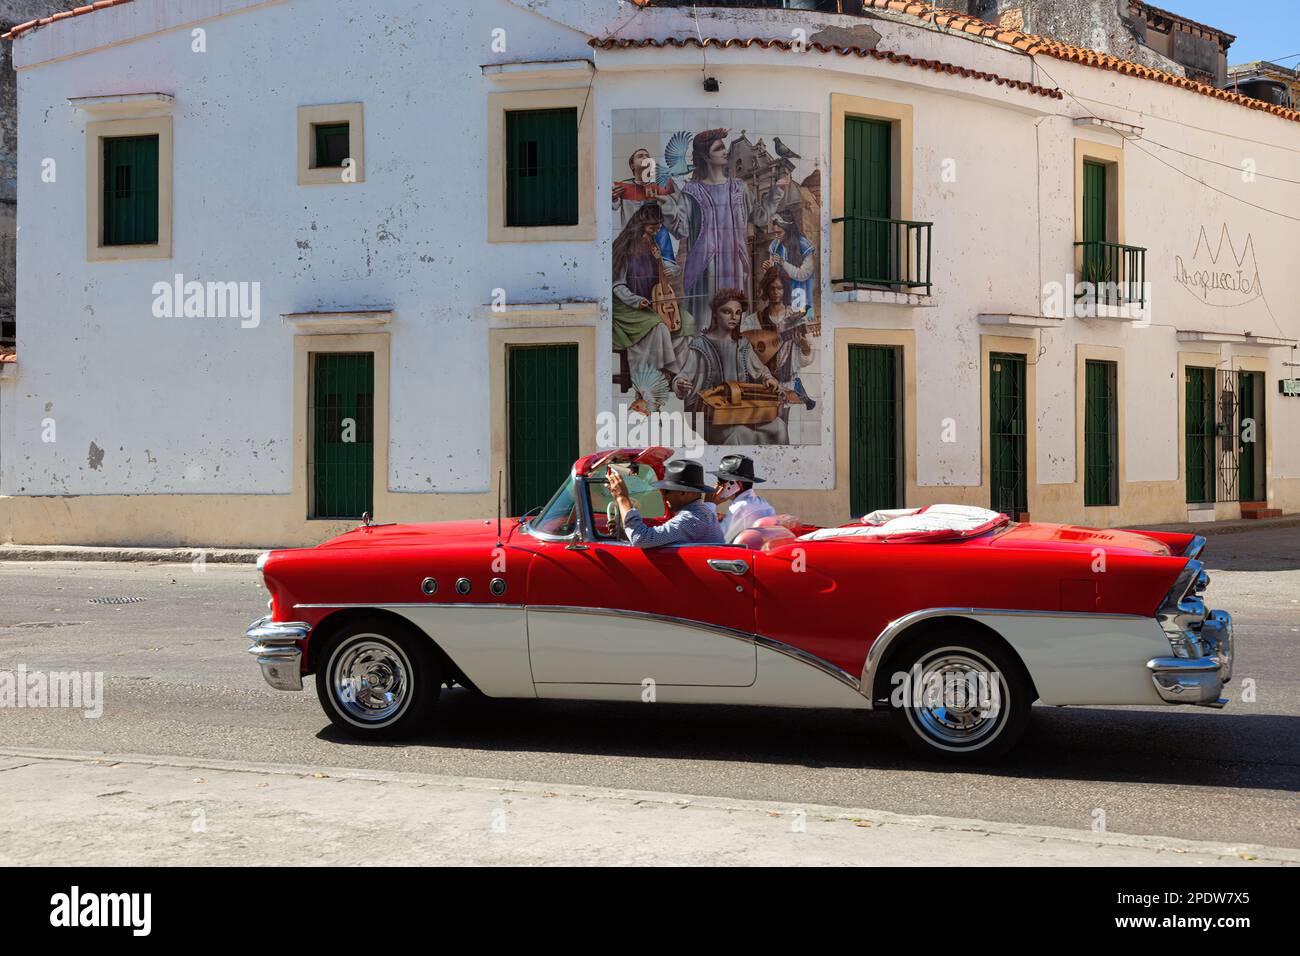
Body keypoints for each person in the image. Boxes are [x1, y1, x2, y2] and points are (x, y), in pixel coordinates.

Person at [656, 128, 787, 326]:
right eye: (718, 148)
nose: (724, 151)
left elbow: (760, 217)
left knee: (733, 325)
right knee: (706, 324)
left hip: (735, 266)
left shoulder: (739, 188)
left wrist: (777, 191)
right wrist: (667, 207)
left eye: (723, 147)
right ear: (705, 157)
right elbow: (680, 229)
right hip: (704, 269)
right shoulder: (691, 191)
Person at [673, 288, 787, 445]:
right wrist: (680, 384)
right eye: (727, 312)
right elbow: (683, 376)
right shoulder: (700, 345)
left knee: (779, 427)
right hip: (709, 413)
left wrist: (768, 379)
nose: (734, 317)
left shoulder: (743, 344)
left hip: (739, 408)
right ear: (715, 314)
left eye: (738, 312)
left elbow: (760, 371)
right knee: (739, 433)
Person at [612, 204, 694, 378]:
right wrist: (636, 301)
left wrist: (672, 270)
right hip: (627, 306)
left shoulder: (653, 244)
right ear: (640, 226)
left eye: (657, 228)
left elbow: (661, 276)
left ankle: (678, 374)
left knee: (686, 321)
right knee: (658, 326)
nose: (655, 233)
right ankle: (655, 372)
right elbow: (617, 285)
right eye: (651, 229)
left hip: (653, 301)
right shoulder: (624, 248)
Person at [606, 459, 723, 548]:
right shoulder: (702, 512)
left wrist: (622, 498)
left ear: (683, 493)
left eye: (667, 491)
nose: (664, 495)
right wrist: (626, 534)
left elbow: (640, 538)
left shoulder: (691, 519)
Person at [710, 454, 776, 544]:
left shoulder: (740, 507)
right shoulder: (763, 503)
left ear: (738, 484)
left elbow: (716, 539)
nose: (718, 485)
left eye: (722, 480)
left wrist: (710, 504)